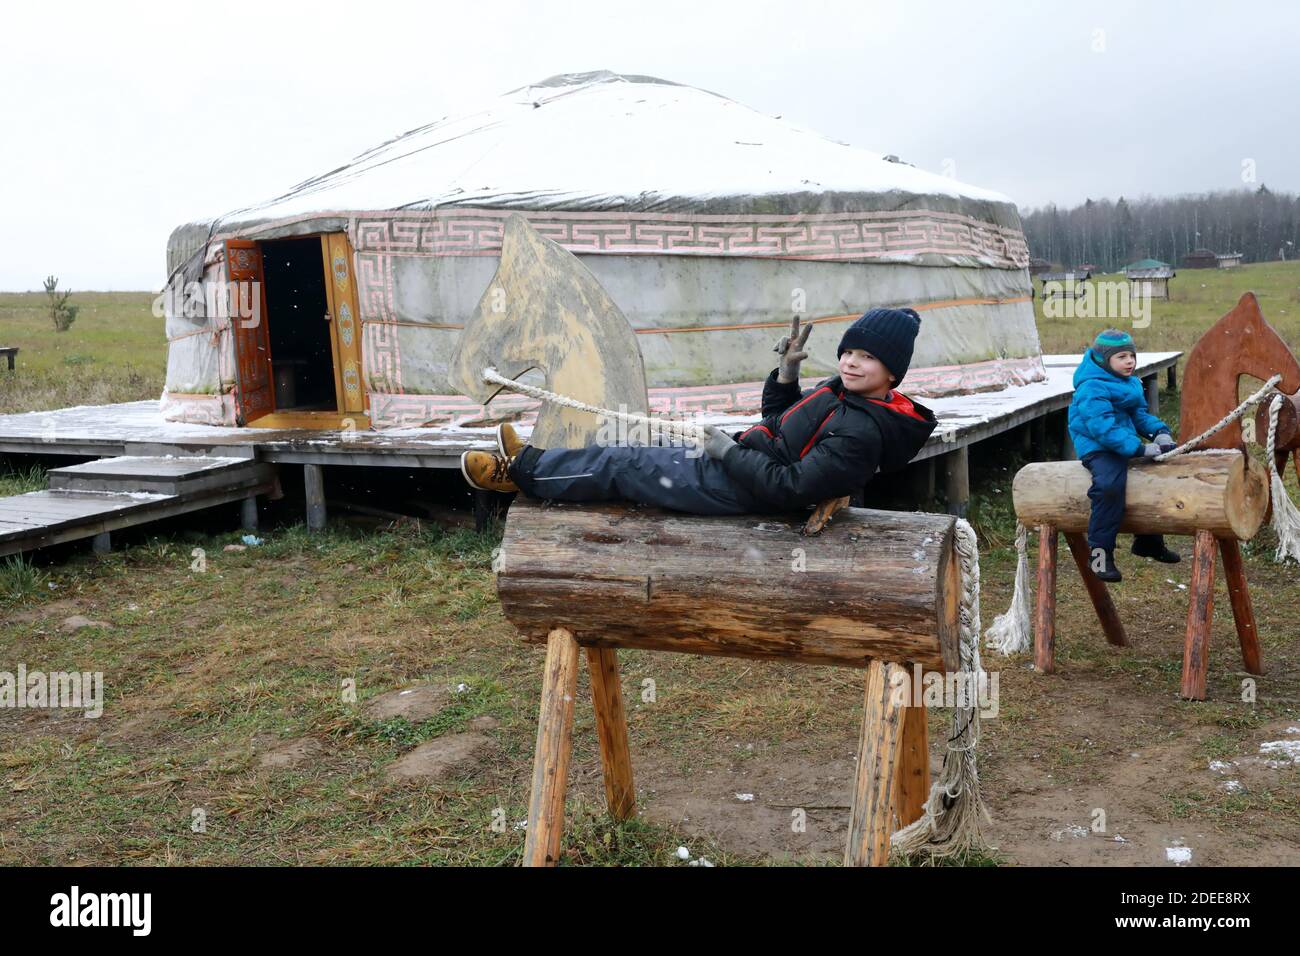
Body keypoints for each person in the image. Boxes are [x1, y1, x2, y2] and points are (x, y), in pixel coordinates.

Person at [461, 307, 938, 516]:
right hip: (746, 462)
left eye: (868, 356)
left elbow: (791, 488)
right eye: (849, 350)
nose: (852, 361)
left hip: (746, 490)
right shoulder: (847, 394)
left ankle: (517, 475)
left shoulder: (864, 432)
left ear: (892, 372)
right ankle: (539, 462)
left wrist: (727, 452)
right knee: (638, 446)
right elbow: (782, 423)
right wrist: (786, 376)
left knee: (627, 464)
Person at [1067, 328, 1180, 582]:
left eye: (1131, 355)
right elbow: (1101, 428)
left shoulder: (1129, 382)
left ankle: (1148, 542)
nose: (1129, 361)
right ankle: (1099, 555)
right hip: (1098, 447)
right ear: (1103, 360)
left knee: (1152, 479)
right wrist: (1138, 449)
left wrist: (1159, 432)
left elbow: (1139, 415)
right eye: (1121, 357)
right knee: (1108, 487)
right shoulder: (1091, 387)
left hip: (1123, 443)